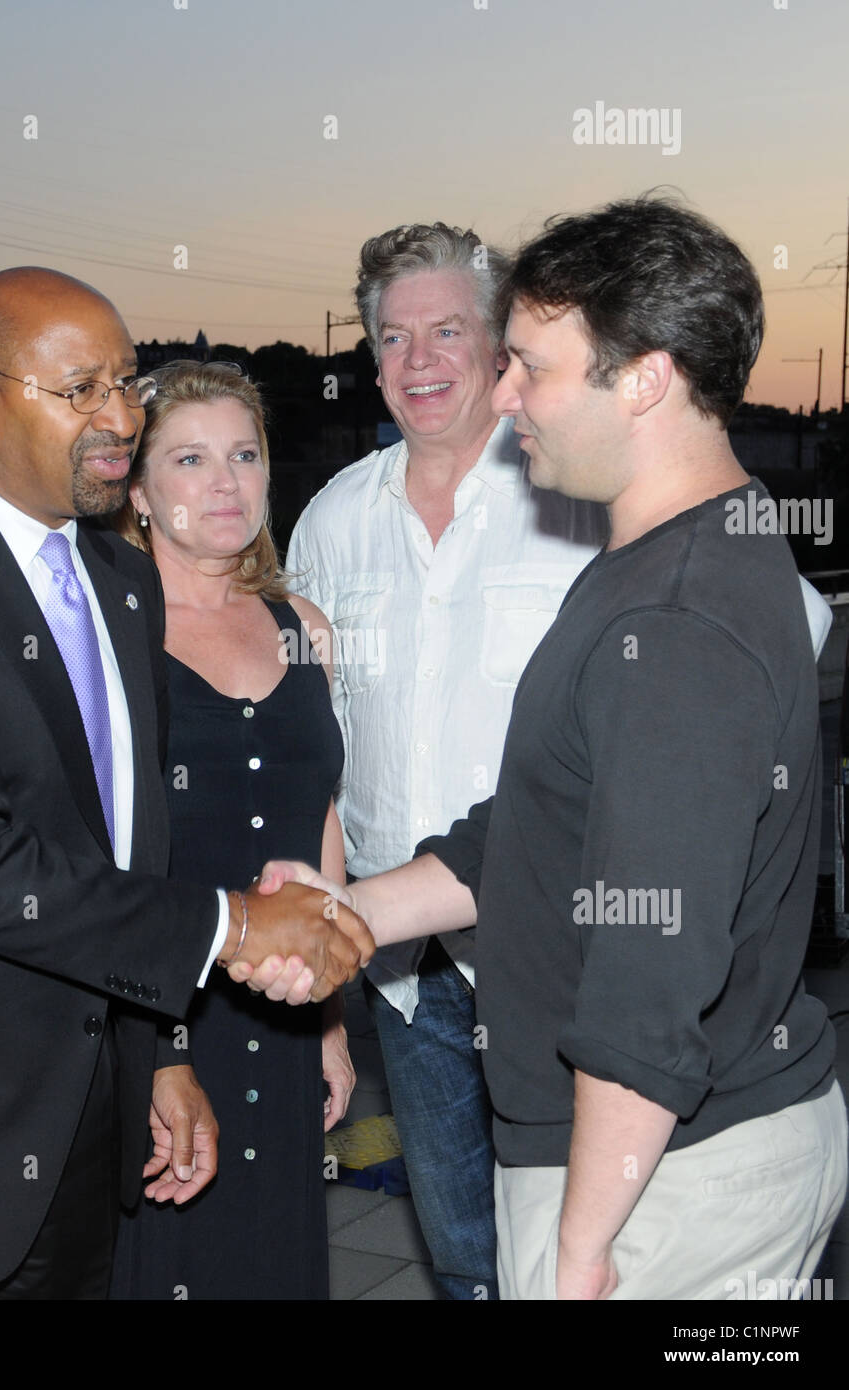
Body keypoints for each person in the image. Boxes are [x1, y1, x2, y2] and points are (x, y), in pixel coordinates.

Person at [256, 196, 848, 1300]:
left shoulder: (674, 620)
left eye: (528, 363)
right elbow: (532, 824)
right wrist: (358, 913)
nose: (504, 390)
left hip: (664, 1184)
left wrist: (581, 1250)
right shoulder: (679, 546)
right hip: (669, 1155)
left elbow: (651, 973)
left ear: (644, 378)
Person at [0, 268, 372, 1301]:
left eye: (124, 383)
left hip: (88, 1134)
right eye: (81, 390)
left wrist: (157, 1051)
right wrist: (239, 928)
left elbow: (124, 843)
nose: (118, 417)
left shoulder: (115, 582)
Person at [287, 222, 606, 1298]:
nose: (418, 360)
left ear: (499, 347)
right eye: (393, 336)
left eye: (447, 331)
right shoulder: (332, 523)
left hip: (554, 952)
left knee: (580, 1243)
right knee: (464, 1249)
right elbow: (307, 746)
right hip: (401, 972)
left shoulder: (577, 499)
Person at [107, 361, 353, 1300]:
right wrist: (156, 1044)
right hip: (161, 1010)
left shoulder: (305, 627)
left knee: (272, 1260)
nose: (225, 482)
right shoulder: (109, 631)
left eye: (244, 454)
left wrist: (330, 1021)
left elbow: (320, 819)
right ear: (136, 488)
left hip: (285, 1015)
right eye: (190, 458)